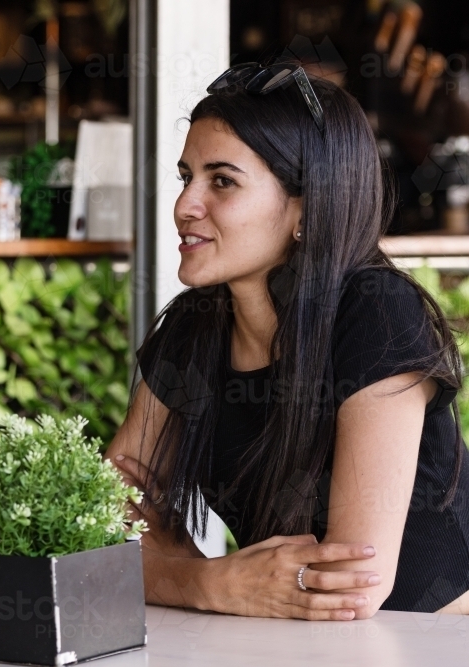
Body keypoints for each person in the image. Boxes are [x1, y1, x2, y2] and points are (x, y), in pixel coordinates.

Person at [108, 62, 469, 620]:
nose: (185, 206)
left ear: (305, 207)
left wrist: (184, 580)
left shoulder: (375, 312)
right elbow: (115, 495)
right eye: (187, 177)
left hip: (429, 644)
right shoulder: (195, 327)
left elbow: (353, 585)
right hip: (286, 643)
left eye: (221, 180)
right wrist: (204, 581)